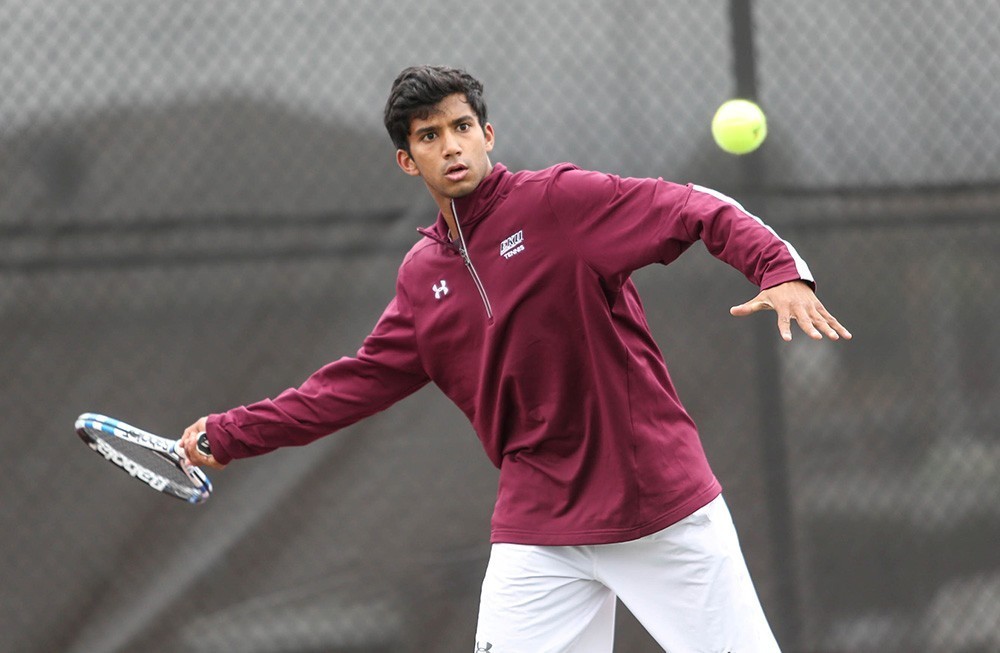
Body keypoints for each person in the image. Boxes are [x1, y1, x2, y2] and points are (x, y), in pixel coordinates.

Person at [181, 65, 851, 652]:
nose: (450, 145)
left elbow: (694, 207)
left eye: (461, 126)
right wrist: (234, 432)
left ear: (487, 134)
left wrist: (778, 270)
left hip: (657, 505)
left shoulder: (559, 203)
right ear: (407, 161)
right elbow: (347, 386)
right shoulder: (422, 278)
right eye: (428, 136)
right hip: (539, 523)